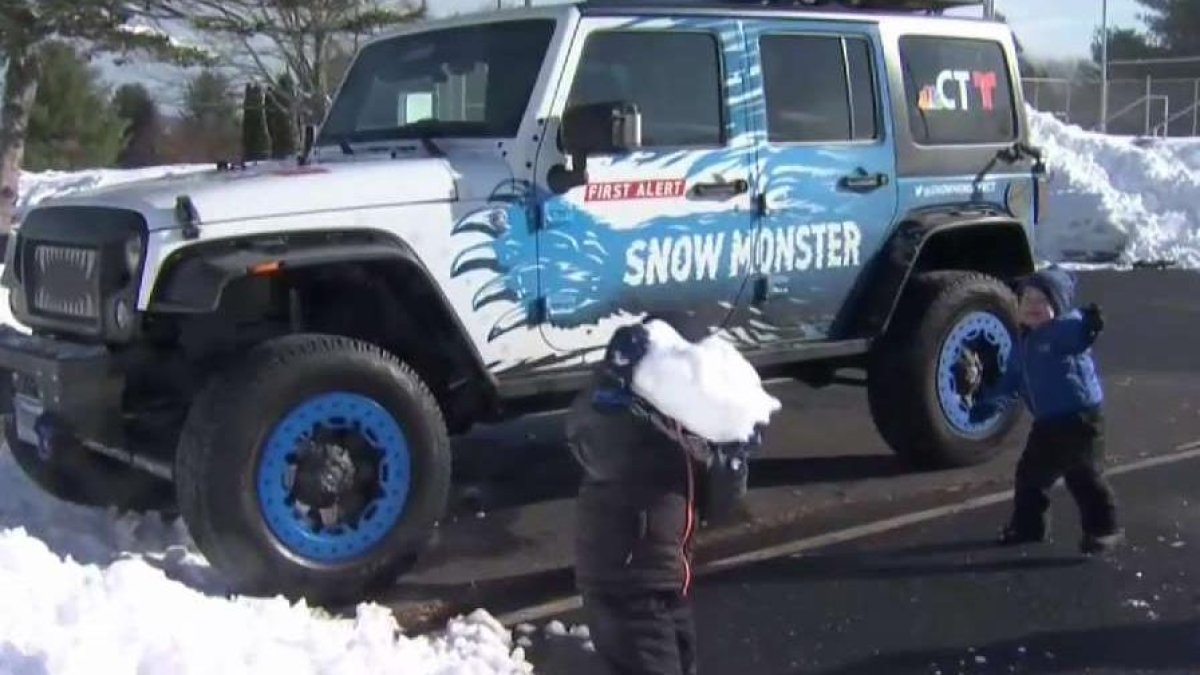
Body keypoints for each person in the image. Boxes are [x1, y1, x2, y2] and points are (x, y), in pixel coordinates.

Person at [566, 319, 759, 675]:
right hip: (624, 585)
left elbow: (717, 508)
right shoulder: (620, 413)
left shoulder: (691, 429)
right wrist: (610, 382)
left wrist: (734, 462)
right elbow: (591, 442)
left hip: (669, 582)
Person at [964, 266, 1123, 554]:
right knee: (1030, 475)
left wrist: (1090, 325)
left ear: (1057, 307)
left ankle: (1104, 529)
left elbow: (1078, 333)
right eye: (1027, 300)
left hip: (1080, 420)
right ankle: (1029, 526)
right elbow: (1012, 380)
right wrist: (988, 405)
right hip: (1048, 423)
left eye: (1041, 302)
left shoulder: (1061, 330)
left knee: (1083, 476)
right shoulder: (1023, 343)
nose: (1032, 307)